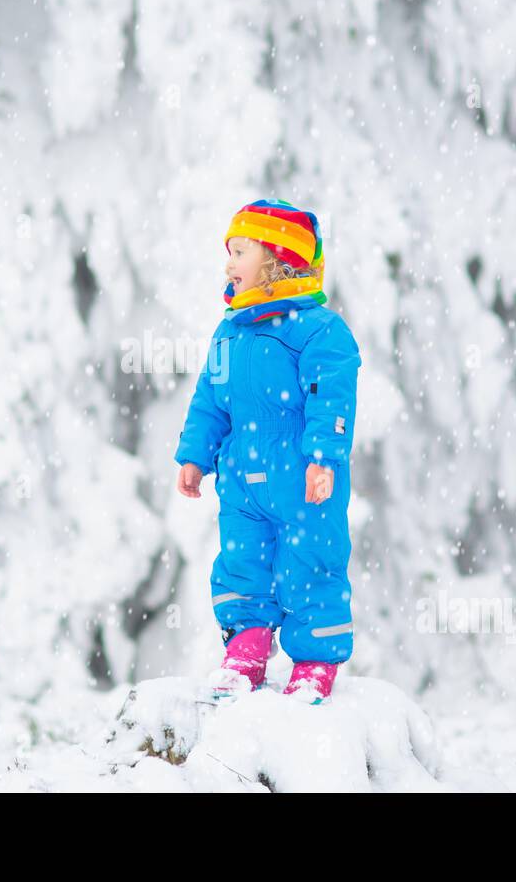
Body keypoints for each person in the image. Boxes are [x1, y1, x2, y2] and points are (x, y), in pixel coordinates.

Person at [175, 198, 362, 705]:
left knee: (312, 563)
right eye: (229, 253)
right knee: (240, 563)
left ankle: (316, 661)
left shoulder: (319, 331)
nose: (229, 263)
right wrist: (195, 455)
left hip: (303, 482)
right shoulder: (229, 332)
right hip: (242, 485)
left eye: (239, 251)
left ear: (278, 260)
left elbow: (331, 398)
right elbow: (210, 401)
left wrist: (323, 457)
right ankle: (246, 649)